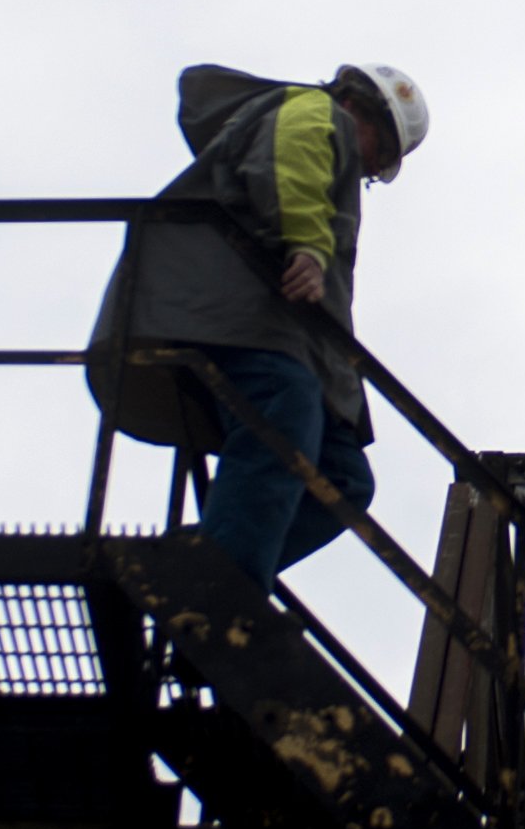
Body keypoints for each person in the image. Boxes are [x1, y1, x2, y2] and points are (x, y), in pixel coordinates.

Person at [87, 60, 430, 585]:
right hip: (229, 316)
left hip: (272, 333)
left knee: (344, 480)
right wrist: (311, 249)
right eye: (379, 155)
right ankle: (218, 588)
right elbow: (290, 164)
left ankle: (198, 565)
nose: (367, 170)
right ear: (361, 112)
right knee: (282, 403)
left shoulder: (321, 132)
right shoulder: (315, 113)